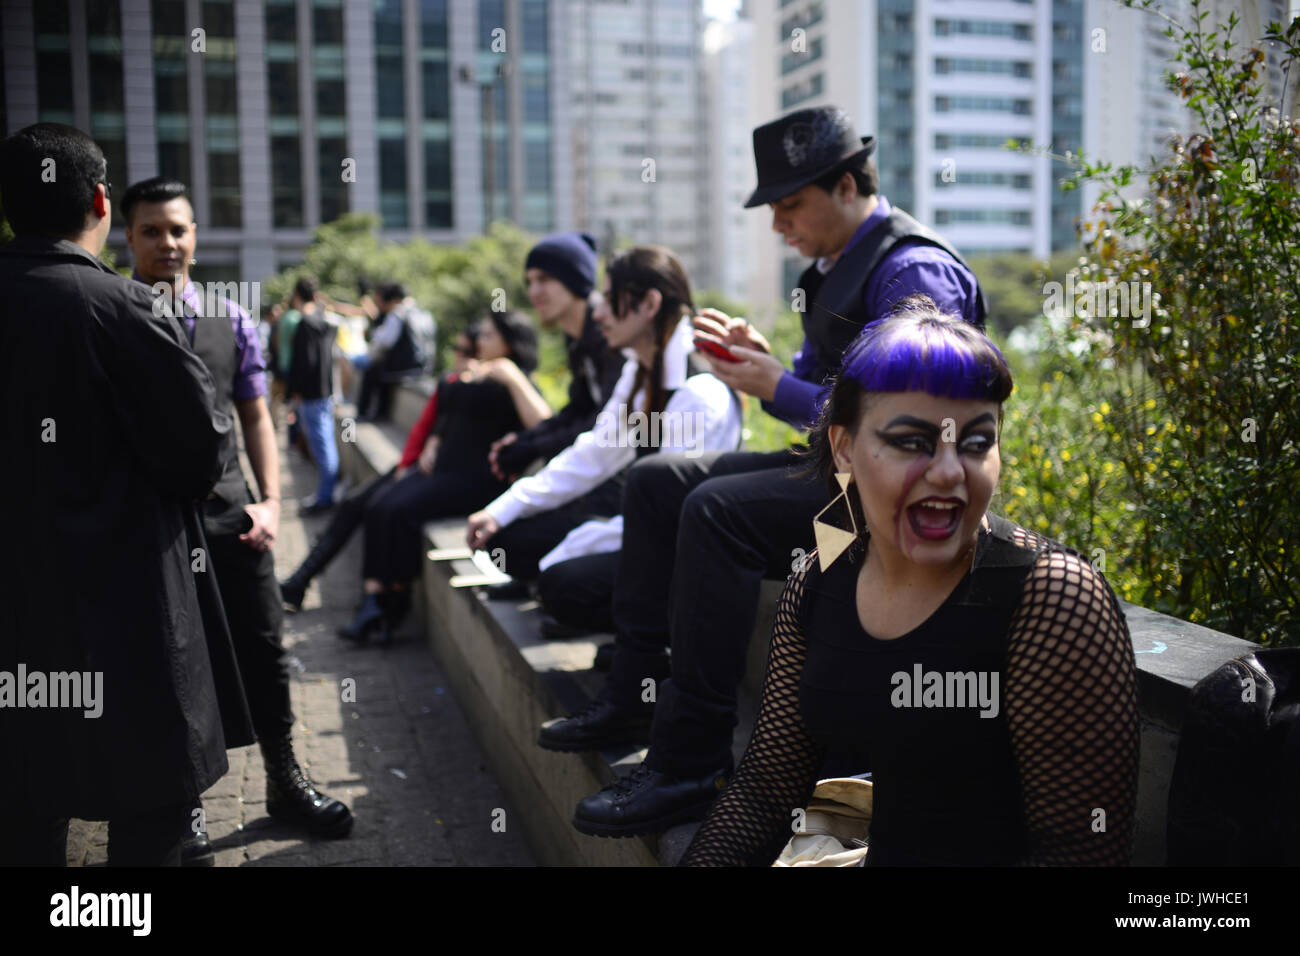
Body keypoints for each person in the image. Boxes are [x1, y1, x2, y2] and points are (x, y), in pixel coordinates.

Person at [540, 106, 989, 837]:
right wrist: (768, 365)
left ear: (846, 186)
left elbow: (916, 425)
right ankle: (630, 694)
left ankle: (691, 763)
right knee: (661, 480)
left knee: (716, 511)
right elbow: (825, 404)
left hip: (895, 496)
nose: (780, 224)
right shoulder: (832, 272)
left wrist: (774, 385)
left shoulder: (913, 271)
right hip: (844, 470)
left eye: (790, 205)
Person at [682, 298, 1140, 865]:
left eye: (976, 442)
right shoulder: (821, 579)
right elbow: (764, 792)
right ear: (845, 448)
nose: (950, 470)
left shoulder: (1053, 598)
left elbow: (1080, 855)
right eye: (912, 441)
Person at [0, 123, 252, 866]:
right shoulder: (121, 308)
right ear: (101, 202)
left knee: (23, 808)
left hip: (16, 620)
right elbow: (199, 453)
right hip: (131, 616)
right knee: (153, 822)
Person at [122, 176, 353, 863]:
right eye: (151, 230)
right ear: (125, 236)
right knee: (169, 663)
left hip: (233, 513)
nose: (168, 242)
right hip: (152, 524)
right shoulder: (113, 315)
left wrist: (273, 500)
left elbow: (256, 412)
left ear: (195, 235)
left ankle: (285, 781)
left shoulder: (232, 317)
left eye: (179, 229)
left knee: (265, 646)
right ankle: (183, 801)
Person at [465, 246, 745, 590]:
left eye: (611, 298)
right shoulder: (637, 369)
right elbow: (594, 452)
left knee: (563, 583)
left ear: (650, 305)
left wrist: (574, 548)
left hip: (675, 552)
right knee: (504, 536)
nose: (598, 313)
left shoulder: (700, 391)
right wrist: (503, 509)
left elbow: (669, 518)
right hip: (639, 525)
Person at [339, 311, 551, 644]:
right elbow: (448, 416)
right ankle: (373, 600)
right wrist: (434, 442)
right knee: (379, 505)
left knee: (398, 511)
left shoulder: (517, 378)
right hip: (443, 470)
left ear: (510, 342)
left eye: (487, 336)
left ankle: (391, 603)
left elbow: (544, 425)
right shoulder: (473, 373)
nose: (478, 342)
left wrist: (511, 377)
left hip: (478, 481)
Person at [278, 322, 481, 613]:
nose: (460, 356)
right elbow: (426, 430)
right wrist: (411, 461)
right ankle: (301, 581)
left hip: (426, 471)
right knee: (353, 504)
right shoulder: (451, 383)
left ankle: (376, 601)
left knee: (374, 506)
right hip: (412, 464)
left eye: (468, 352)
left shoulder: (470, 389)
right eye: (458, 350)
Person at [286, 276, 341, 514]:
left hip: (310, 394)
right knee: (326, 443)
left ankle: (325, 498)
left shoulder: (305, 323)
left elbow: (303, 362)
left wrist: (294, 391)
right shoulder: (326, 321)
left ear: (297, 296)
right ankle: (327, 492)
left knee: (322, 446)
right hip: (326, 390)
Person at [353, 283, 435, 421]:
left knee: (372, 368)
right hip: (423, 366)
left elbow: (385, 341)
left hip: (403, 367)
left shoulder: (398, 313)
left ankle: (366, 413)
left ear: (392, 300)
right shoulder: (422, 311)